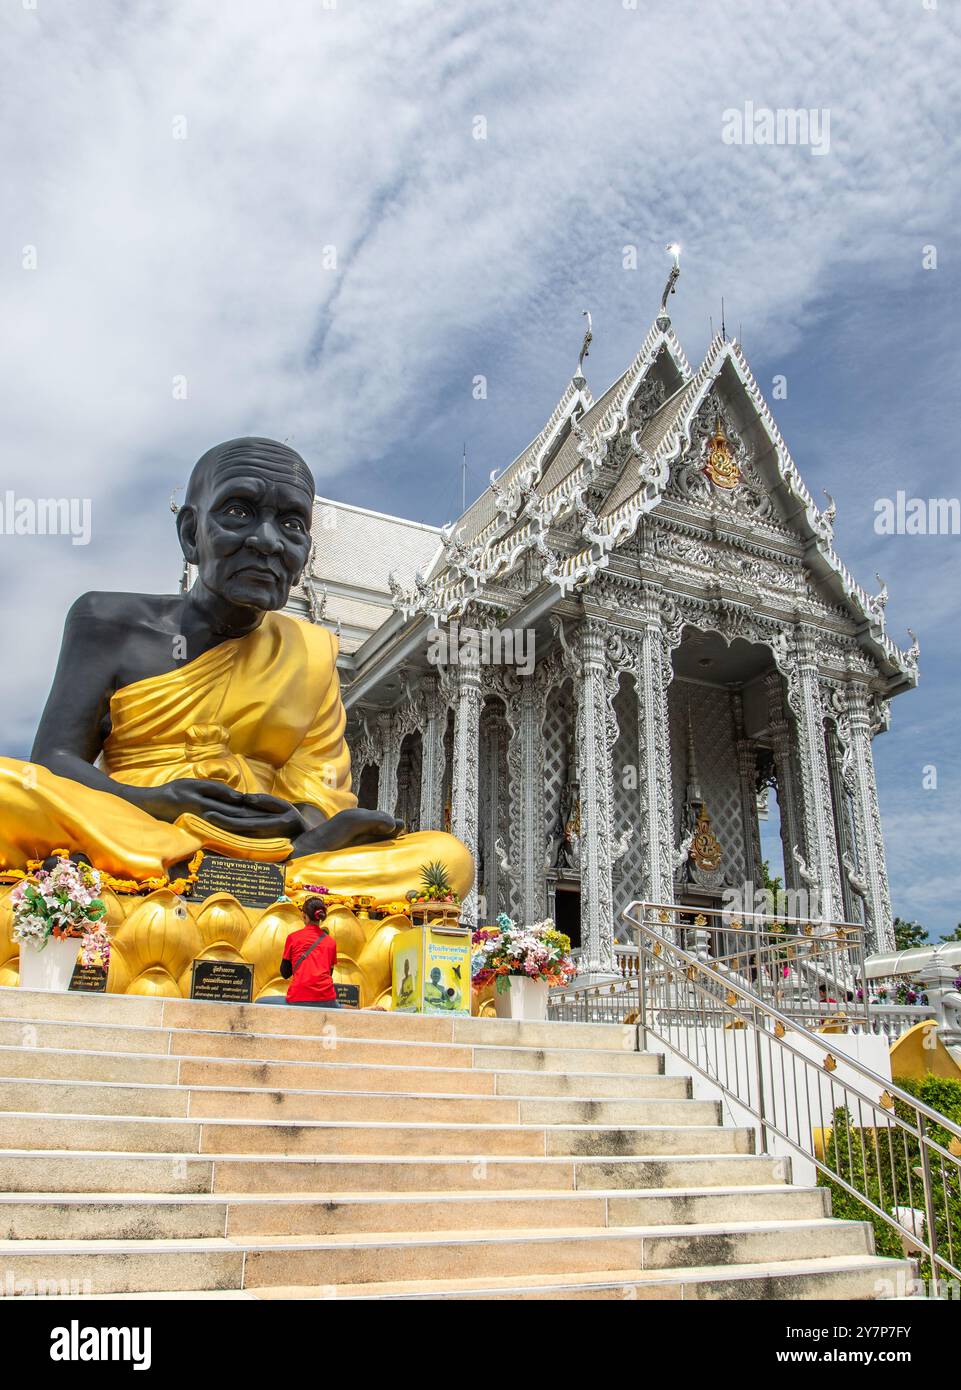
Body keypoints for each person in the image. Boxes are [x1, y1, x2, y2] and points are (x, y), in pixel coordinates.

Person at [0, 436, 473, 904]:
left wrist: (311, 828)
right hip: (134, 827)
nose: (267, 541)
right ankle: (236, 891)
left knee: (446, 859)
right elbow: (54, 766)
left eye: (291, 523)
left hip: (275, 852)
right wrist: (156, 802)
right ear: (191, 533)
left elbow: (317, 791)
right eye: (238, 512)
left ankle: (175, 887)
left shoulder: (310, 652)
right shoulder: (107, 620)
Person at [280, 896, 339, 1007]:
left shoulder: (293, 937)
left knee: (261, 1001)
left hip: (298, 996)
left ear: (304, 915)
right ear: (320, 916)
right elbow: (329, 973)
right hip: (326, 998)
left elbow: (284, 973)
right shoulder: (331, 942)